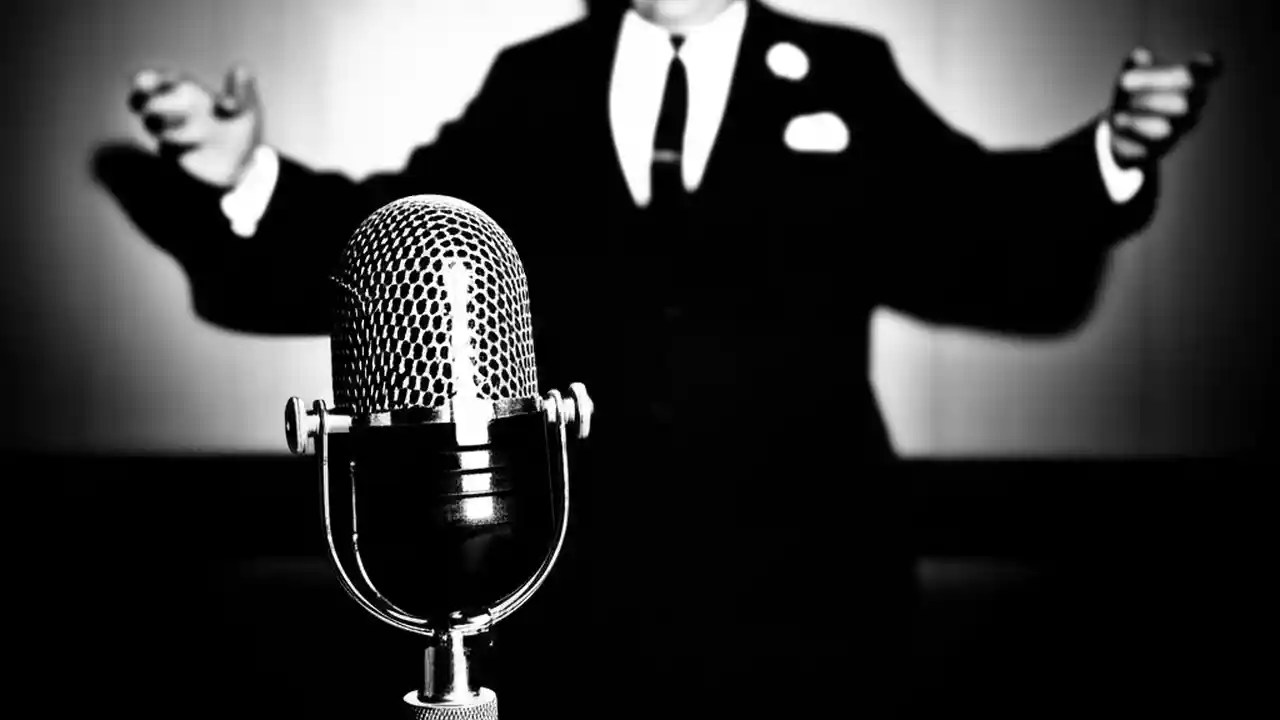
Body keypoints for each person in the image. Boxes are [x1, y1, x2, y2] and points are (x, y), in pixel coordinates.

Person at [103, 0, 1219, 716]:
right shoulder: (533, 79)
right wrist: (243, 174)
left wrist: (1106, 155)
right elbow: (406, 241)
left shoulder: (845, 71)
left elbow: (979, 221)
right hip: (581, 592)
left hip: (817, 593)